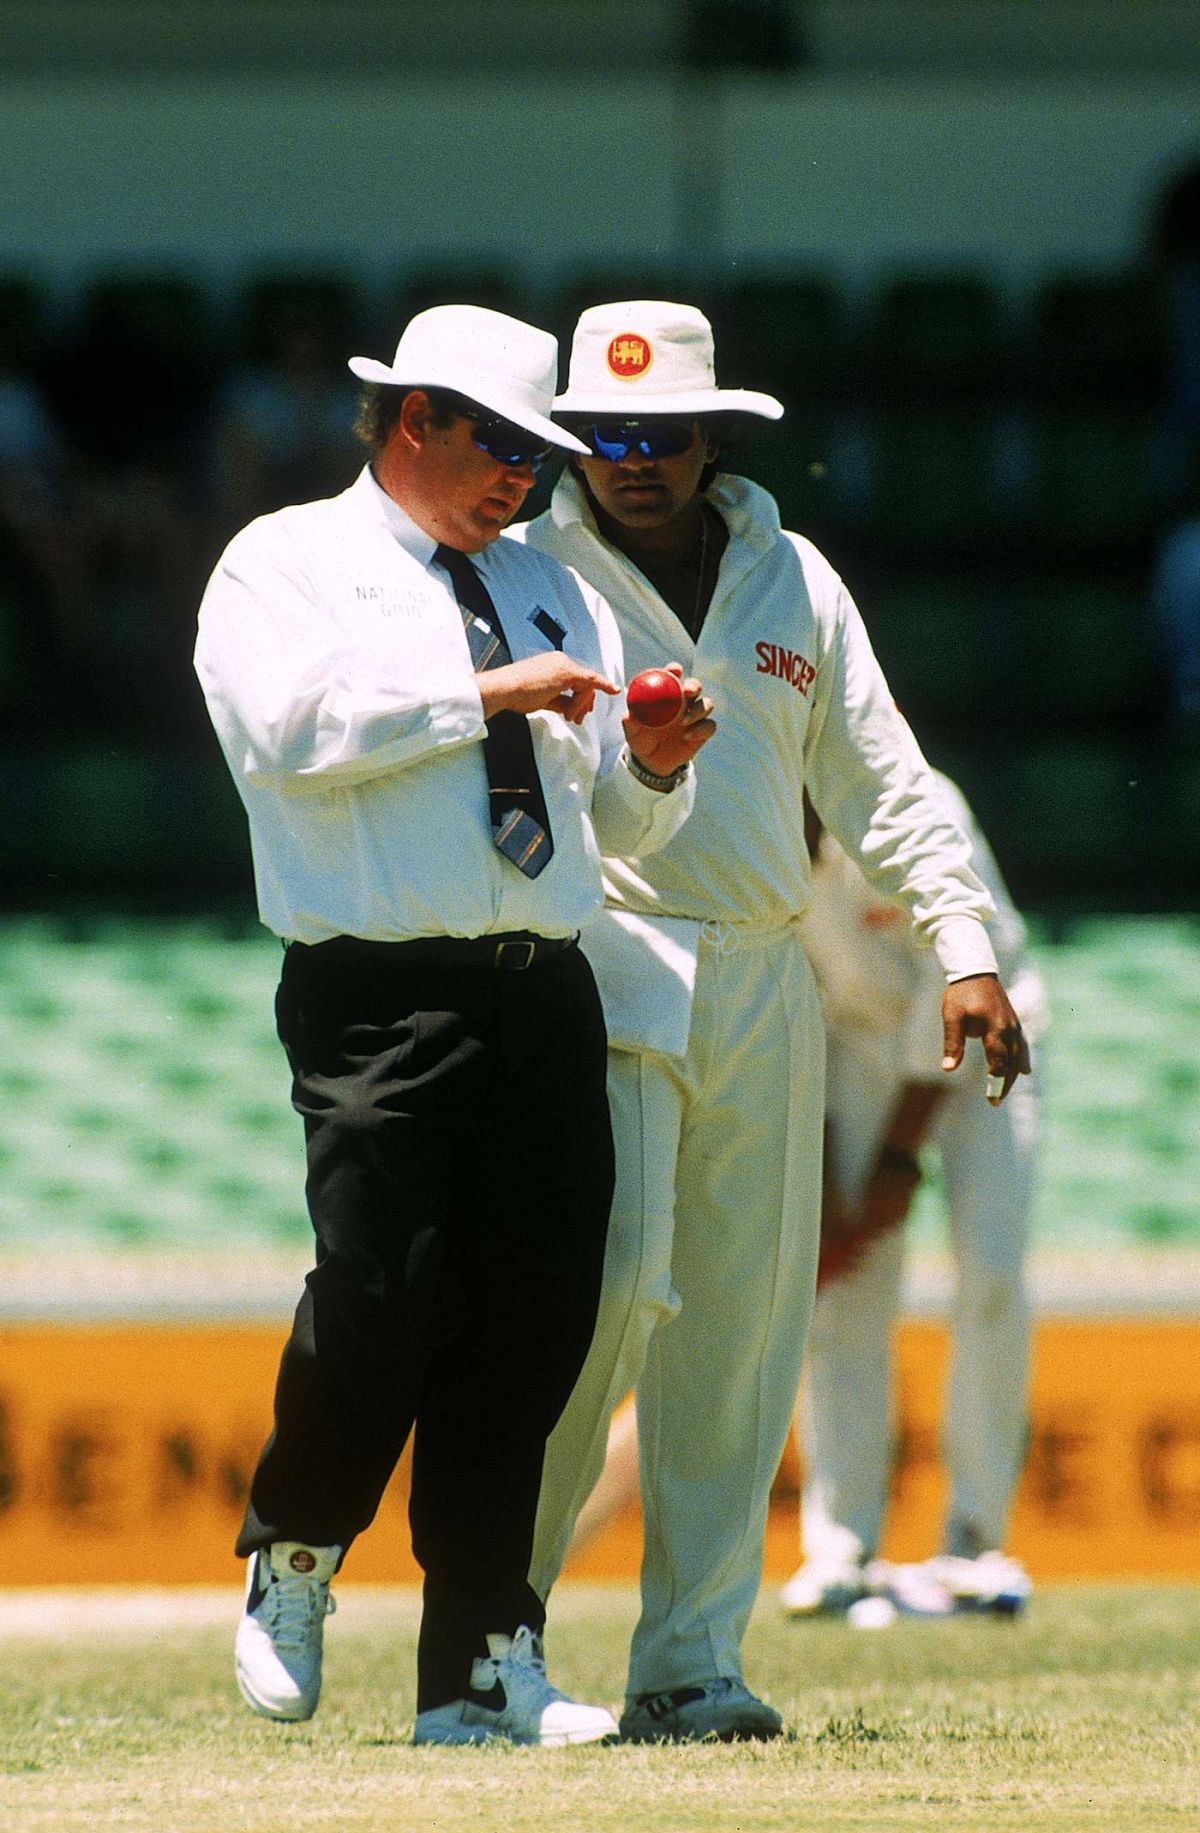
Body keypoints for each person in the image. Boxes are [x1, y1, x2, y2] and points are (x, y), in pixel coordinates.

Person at [193, 303, 713, 1747]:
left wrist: (657, 767)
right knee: (378, 1295)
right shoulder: (284, 562)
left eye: (541, 456)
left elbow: (603, 808)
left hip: (543, 978)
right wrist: (478, 691)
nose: (525, 480)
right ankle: (294, 1546)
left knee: (537, 1319)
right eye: (500, 444)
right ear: (413, 419)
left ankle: (481, 1667)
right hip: (376, 990)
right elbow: (285, 739)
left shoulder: (555, 586)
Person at [515, 300, 1029, 1742]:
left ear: (709, 436)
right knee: (605, 1301)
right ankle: (498, 1635)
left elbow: (885, 777)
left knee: (741, 1339)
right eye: (603, 435)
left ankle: (688, 1663)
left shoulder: (794, 578)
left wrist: (965, 944)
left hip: (761, 968)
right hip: (601, 956)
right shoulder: (527, 568)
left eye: (657, 434)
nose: (630, 460)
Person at [781, 778, 1045, 1620]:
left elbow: (961, 990)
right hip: (850, 1051)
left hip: (991, 1034)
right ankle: (842, 1547)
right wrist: (825, 1180)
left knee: (991, 1274)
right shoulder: (756, 813)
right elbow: (794, 1003)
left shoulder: (913, 801)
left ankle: (975, 1535)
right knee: (843, 1298)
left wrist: (895, 1162)